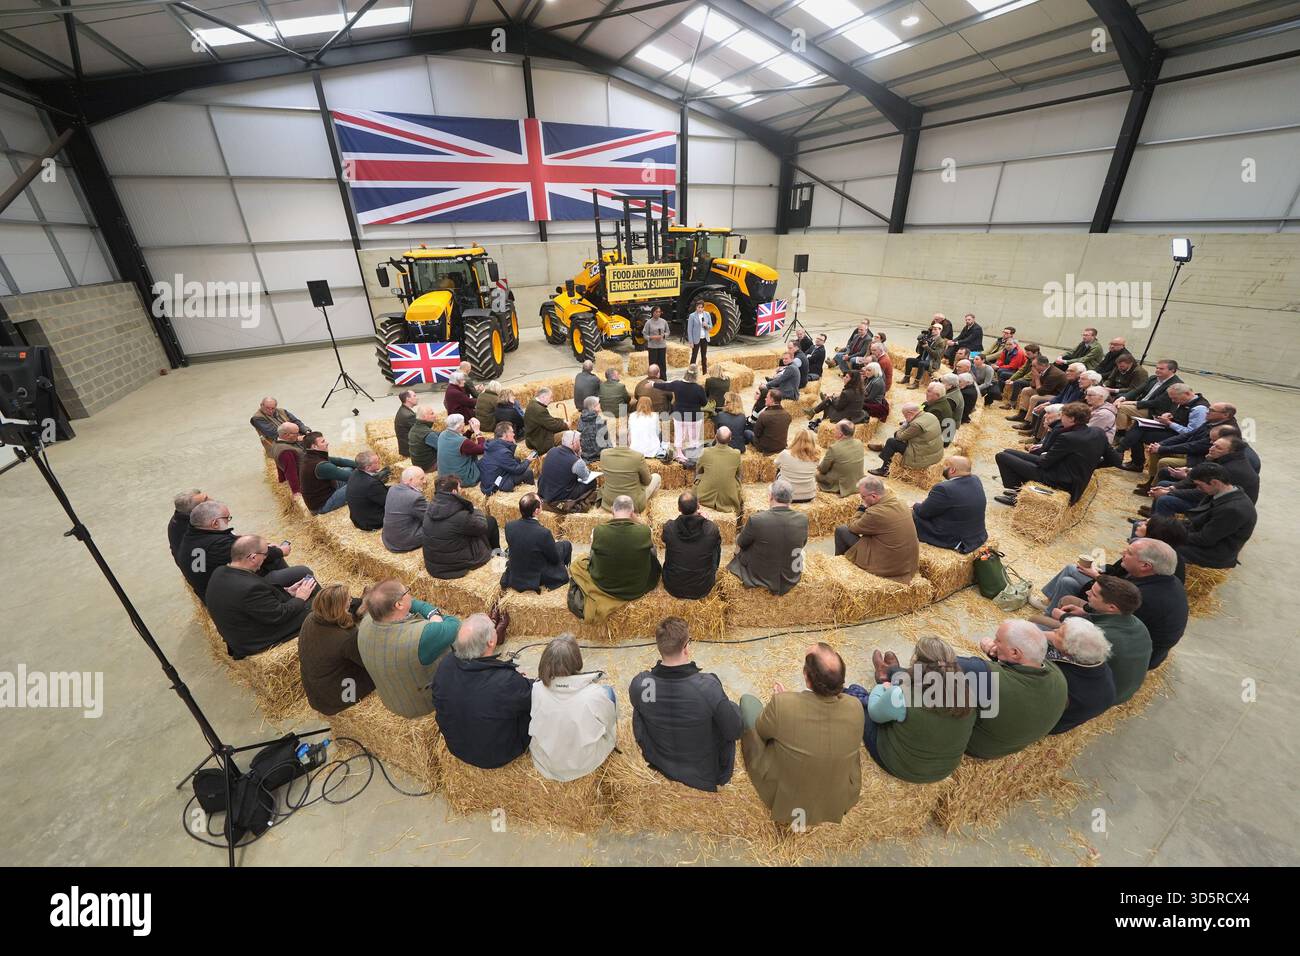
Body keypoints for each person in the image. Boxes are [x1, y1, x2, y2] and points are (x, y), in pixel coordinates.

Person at [739, 643, 864, 827]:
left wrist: (782, 704)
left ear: (807, 678)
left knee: (748, 704)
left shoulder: (783, 704)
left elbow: (763, 732)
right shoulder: (855, 707)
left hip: (785, 797)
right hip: (839, 797)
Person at [629, 617, 742, 791]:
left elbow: (643, 708)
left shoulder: (642, 684)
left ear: (660, 648)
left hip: (660, 760)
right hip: (704, 771)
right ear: (686, 647)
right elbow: (734, 731)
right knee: (732, 709)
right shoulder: (707, 687)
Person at [845, 636, 977, 783]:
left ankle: (884, 676)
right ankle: (889, 671)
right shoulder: (969, 695)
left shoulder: (901, 695)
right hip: (944, 770)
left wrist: (883, 688)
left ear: (916, 662)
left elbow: (875, 713)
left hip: (904, 767)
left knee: (856, 701)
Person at [432, 613, 532, 769]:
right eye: (493, 628)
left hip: (457, 747)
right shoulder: (506, 682)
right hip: (495, 755)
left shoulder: (446, 664)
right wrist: (519, 681)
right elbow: (535, 697)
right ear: (491, 642)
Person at [959, 620, 1068, 759]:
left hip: (975, 746)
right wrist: (998, 654)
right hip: (1009, 745)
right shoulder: (1057, 674)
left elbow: (934, 664)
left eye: (998, 640)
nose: (994, 641)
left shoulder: (986, 675)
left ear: (1015, 653)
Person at [1037, 575, 1151, 706]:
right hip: (1119, 685)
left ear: (1112, 607)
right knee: (1066, 601)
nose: (1087, 593)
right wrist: (1085, 614)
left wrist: (1061, 619)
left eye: (1094, 594)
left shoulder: (1099, 636)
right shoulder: (1135, 622)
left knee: (1036, 623)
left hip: (1100, 694)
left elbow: (1063, 643)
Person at [357, 579, 461, 718]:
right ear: (399, 604)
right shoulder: (422, 635)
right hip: (422, 705)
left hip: (392, 699)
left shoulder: (365, 622)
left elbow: (408, 603)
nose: (410, 594)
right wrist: (434, 615)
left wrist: (406, 601)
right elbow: (455, 624)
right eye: (407, 591)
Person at [204, 535, 318, 660]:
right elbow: (280, 615)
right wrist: (300, 598)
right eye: (264, 554)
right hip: (257, 639)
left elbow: (258, 603)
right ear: (253, 557)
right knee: (323, 604)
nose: (265, 557)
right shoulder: (249, 588)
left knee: (314, 595)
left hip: (246, 626)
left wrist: (288, 592)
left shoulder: (221, 571)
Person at [993, 402, 1120, 507]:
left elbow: (1045, 463)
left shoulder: (1068, 437)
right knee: (1008, 452)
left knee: (1002, 456)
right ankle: (1019, 491)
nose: (1061, 418)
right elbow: (1116, 460)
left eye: (1062, 416)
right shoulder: (1097, 432)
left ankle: (1018, 495)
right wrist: (1091, 466)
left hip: (1059, 479)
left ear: (1071, 419)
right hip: (1068, 473)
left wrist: (1042, 454)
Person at [528, 634, 617, 782]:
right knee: (609, 692)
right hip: (583, 764)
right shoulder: (595, 694)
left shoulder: (536, 689)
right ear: (576, 660)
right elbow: (609, 722)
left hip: (546, 762)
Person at [180, 500, 308, 600]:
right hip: (231, 592)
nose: (229, 521)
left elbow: (232, 542)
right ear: (214, 524)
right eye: (227, 518)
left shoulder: (193, 534)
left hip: (217, 585)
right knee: (299, 571)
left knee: (271, 556)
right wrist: (281, 551)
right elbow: (248, 554)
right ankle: (289, 592)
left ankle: (286, 588)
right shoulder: (217, 546)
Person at [568, 496, 662, 623]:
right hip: (639, 587)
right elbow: (651, 548)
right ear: (632, 511)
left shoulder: (598, 531)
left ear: (612, 510)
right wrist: (636, 519)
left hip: (605, 585)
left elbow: (593, 554)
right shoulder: (645, 531)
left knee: (581, 561)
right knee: (651, 550)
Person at [297, 583, 375, 716]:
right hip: (340, 697)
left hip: (317, 694)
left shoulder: (311, 618)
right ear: (342, 609)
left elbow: (341, 619)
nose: (351, 601)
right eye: (349, 600)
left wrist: (361, 606)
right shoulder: (346, 639)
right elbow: (371, 663)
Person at [726, 479, 808, 595]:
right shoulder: (803, 519)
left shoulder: (757, 520)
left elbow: (742, 543)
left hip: (760, 576)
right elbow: (802, 544)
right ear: (791, 498)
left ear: (770, 497)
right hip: (790, 575)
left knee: (739, 537)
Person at [834, 475, 920, 583]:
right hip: (908, 564)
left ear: (874, 496)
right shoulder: (901, 502)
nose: (862, 499)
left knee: (842, 530)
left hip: (889, 566)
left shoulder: (875, 513)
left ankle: (839, 564)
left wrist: (862, 508)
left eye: (863, 497)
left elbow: (853, 526)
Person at [1136, 401, 1237, 492]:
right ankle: (1151, 481)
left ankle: (1155, 490)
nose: (1207, 412)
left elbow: (1196, 446)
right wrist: (1161, 444)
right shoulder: (1212, 421)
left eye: (1211, 410)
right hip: (1190, 453)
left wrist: (1163, 448)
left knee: (1164, 462)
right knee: (1156, 451)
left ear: (1225, 415)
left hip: (1198, 459)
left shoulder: (1225, 431)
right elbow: (1187, 435)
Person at [1177, 463, 1257, 569]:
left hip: (1216, 553)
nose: (1198, 488)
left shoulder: (1233, 510)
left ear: (1214, 482)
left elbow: (1205, 539)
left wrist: (1174, 533)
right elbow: (1199, 521)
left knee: (1166, 548)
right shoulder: (1225, 493)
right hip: (1210, 539)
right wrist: (1166, 525)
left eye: (1199, 485)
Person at [1044, 617, 1115, 735]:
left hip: (1052, 724)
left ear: (1069, 651)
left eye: (1059, 634)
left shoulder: (1060, 677)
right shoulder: (1095, 660)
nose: (1055, 630)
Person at [1117, 382, 1208, 470]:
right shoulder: (1186, 401)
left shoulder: (1199, 409)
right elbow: (1181, 417)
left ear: (1187, 394)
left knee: (1138, 434)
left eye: (1175, 398)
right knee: (1138, 425)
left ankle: (1125, 455)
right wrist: (1170, 415)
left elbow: (1192, 433)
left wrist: (1169, 423)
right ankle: (1126, 455)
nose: (1173, 401)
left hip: (1182, 438)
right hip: (1172, 430)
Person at [422, 475, 499, 579]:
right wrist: (476, 510)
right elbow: (482, 526)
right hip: (453, 567)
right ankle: (498, 554)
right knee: (490, 521)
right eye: (459, 488)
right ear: (454, 492)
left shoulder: (430, 507)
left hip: (434, 565)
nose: (461, 490)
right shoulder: (460, 516)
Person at [911, 456, 987, 553]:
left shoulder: (944, 488)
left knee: (907, 516)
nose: (943, 467)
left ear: (952, 470)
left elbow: (923, 512)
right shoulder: (976, 480)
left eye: (945, 465)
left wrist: (915, 505)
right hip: (977, 536)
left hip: (955, 539)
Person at [501, 492, 572, 593]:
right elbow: (554, 559)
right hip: (536, 573)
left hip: (518, 568)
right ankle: (563, 570)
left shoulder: (509, 526)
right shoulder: (544, 533)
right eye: (541, 502)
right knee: (566, 545)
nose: (542, 503)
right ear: (537, 511)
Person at [660, 493, 722, 600]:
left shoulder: (669, 528)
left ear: (679, 508)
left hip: (673, 586)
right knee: (715, 545)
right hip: (702, 587)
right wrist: (706, 521)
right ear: (698, 506)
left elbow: (664, 539)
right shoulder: (711, 529)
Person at [867, 402, 942, 478]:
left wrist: (904, 425)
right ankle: (884, 449)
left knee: (891, 442)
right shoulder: (930, 415)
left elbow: (899, 436)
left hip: (921, 454)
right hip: (931, 450)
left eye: (905, 415)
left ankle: (884, 470)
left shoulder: (916, 425)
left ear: (910, 413)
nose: (905, 418)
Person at [1114, 358, 1182, 434]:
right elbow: (1137, 390)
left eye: (1161, 369)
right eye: (1157, 368)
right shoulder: (1153, 378)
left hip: (1155, 410)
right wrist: (1122, 398)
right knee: (1119, 401)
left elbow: (1157, 402)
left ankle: (1120, 434)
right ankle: (1126, 431)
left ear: (1172, 370)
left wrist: (1133, 403)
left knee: (1122, 408)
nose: (1157, 370)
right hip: (1143, 404)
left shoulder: (1175, 384)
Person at [654, 366, 708, 462]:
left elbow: (665, 386)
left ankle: (679, 454)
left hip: (679, 415)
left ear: (686, 373)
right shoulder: (699, 388)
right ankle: (692, 456)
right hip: (694, 417)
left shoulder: (677, 384)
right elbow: (704, 403)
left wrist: (653, 384)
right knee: (694, 437)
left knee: (679, 435)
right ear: (696, 376)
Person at [538, 430, 600, 513]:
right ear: (572, 443)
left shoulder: (551, 451)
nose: (581, 444)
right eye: (579, 441)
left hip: (544, 491)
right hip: (559, 496)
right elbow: (586, 477)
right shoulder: (576, 461)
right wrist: (579, 456)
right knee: (592, 482)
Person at [299, 431, 357, 515]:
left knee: (349, 469)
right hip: (322, 505)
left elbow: (339, 461)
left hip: (329, 488)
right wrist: (371, 473)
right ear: (314, 446)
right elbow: (351, 477)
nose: (327, 443)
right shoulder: (320, 465)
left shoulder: (311, 456)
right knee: (357, 484)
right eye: (323, 442)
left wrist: (362, 464)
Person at [599, 443, 661, 513]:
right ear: (629, 439)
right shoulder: (638, 456)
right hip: (632, 505)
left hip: (609, 503)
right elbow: (647, 481)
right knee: (656, 477)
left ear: (615, 440)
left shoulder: (603, 453)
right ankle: (649, 507)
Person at [478, 421, 534, 497]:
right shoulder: (503, 452)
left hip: (489, 480)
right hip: (495, 486)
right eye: (512, 432)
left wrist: (512, 445)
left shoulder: (493, 444)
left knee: (517, 459)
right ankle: (532, 496)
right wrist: (528, 460)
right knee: (528, 472)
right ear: (504, 435)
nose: (514, 434)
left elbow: (508, 459)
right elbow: (517, 469)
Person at [381, 465, 428, 554]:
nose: (425, 481)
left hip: (388, 538)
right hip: (403, 542)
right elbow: (430, 518)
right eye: (421, 479)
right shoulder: (415, 497)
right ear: (410, 480)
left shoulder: (393, 488)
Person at [695, 428, 744, 513]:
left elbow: (698, 470)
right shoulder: (736, 453)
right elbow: (739, 474)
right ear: (730, 439)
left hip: (704, 496)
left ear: (715, 437)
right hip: (729, 499)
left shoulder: (705, 451)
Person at [815, 419, 865, 497]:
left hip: (840, 484)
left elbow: (822, 469)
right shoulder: (859, 443)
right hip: (856, 482)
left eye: (836, 429)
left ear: (840, 434)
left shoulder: (834, 448)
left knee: (813, 474)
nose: (834, 431)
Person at [436, 413, 485, 487]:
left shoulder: (442, 434)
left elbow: (460, 442)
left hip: (444, 477)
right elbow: (483, 449)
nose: (464, 424)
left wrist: (470, 431)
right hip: (461, 479)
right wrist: (477, 432)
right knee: (486, 458)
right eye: (463, 423)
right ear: (459, 426)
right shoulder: (463, 442)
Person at [346, 450, 390, 531]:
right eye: (376, 462)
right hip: (372, 522)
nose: (379, 462)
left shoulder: (355, 473)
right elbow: (389, 501)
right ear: (367, 467)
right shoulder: (371, 484)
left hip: (358, 519)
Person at [775, 428, 821, 503]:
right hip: (809, 495)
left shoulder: (785, 454)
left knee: (779, 471)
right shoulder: (816, 456)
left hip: (787, 495)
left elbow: (776, 464)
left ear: (795, 440)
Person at [899, 322, 946, 388]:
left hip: (932, 362)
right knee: (909, 360)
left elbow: (936, 355)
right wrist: (920, 343)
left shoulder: (941, 342)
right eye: (932, 329)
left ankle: (916, 383)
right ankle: (906, 378)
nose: (933, 330)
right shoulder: (928, 338)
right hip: (923, 359)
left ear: (940, 330)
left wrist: (927, 347)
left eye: (935, 329)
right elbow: (918, 352)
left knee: (921, 363)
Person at [168, 489, 207, 568]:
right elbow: (200, 568)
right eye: (206, 501)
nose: (213, 501)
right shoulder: (194, 531)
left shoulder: (179, 516)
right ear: (196, 511)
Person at [523, 386, 567, 454]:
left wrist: (562, 420)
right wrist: (566, 425)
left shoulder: (533, 403)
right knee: (567, 436)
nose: (552, 400)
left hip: (533, 438)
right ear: (543, 397)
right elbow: (554, 426)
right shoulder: (539, 410)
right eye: (550, 397)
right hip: (539, 442)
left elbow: (549, 419)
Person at [269, 421, 307, 497]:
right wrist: (296, 491)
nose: (298, 435)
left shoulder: (275, 443)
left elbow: (279, 464)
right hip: (306, 477)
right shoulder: (286, 452)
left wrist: (281, 479)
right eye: (296, 433)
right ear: (286, 435)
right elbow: (290, 472)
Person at [923, 380, 958, 448]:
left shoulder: (936, 410)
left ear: (937, 395)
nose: (926, 393)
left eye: (929, 391)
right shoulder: (942, 400)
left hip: (941, 440)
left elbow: (924, 427)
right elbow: (923, 407)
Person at [407, 405, 440, 472]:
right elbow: (443, 448)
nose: (435, 415)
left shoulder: (414, 428)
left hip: (418, 464)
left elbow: (436, 434)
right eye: (432, 413)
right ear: (425, 417)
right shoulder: (428, 434)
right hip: (428, 466)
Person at [578, 395, 610, 463]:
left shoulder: (581, 419)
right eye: (598, 403)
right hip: (598, 456)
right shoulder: (600, 421)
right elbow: (605, 441)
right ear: (594, 407)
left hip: (585, 456)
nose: (600, 405)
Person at [643, 307, 670, 374]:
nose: (658, 313)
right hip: (652, 347)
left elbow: (668, 332)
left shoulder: (664, 321)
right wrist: (651, 337)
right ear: (652, 313)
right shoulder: (648, 322)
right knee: (653, 364)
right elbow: (644, 334)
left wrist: (663, 336)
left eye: (659, 312)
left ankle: (663, 379)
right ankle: (653, 379)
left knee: (662, 364)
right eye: (656, 312)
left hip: (662, 346)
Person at [686, 300, 711, 371]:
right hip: (696, 339)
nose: (700, 309)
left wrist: (706, 325)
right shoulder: (692, 316)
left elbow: (710, 326)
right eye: (698, 307)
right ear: (696, 307)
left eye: (701, 307)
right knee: (694, 356)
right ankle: (690, 372)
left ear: (703, 308)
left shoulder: (707, 314)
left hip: (705, 338)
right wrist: (691, 342)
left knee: (704, 356)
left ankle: (704, 372)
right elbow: (689, 330)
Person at [393, 390, 419, 458]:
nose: (417, 398)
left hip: (405, 446)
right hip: (410, 450)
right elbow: (420, 432)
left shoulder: (403, 410)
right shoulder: (408, 416)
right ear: (408, 399)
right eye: (414, 396)